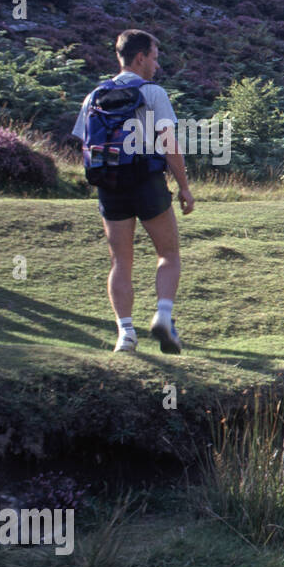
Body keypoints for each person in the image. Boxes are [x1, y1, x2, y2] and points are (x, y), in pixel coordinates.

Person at [73, 29, 193, 354]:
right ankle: (164, 317)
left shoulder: (94, 96)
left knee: (120, 262)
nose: (156, 64)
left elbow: (85, 144)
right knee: (168, 253)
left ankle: (125, 333)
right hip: (147, 181)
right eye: (154, 57)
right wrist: (184, 186)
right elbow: (169, 144)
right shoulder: (153, 93)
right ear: (140, 57)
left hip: (110, 186)